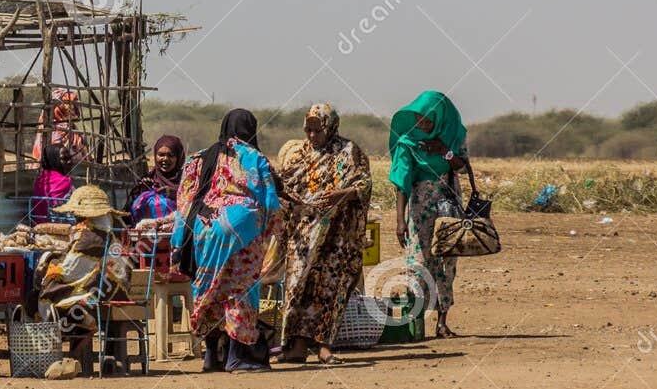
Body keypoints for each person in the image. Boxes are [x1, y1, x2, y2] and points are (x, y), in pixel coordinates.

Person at [171, 108, 280, 374]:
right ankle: (237, 357)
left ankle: (211, 356)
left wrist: (178, 244)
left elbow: (183, 203)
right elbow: (270, 202)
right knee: (239, 291)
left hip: (203, 231)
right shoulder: (253, 157)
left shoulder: (197, 159)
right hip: (241, 233)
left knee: (210, 288)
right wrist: (272, 235)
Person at [275, 104, 371, 365]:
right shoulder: (299, 155)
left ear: (331, 127)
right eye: (308, 131)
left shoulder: (349, 152)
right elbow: (285, 187)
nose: (312, 137)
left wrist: (344, 194)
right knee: (297, 288)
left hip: (335, 237)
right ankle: (295, 346)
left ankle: (324, 346)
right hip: (302, 236)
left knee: (328, 290)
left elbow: (364, 183)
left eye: (317, 131)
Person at [389, 90, 471, 338]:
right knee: (418, 264)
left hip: (449, 205)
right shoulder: (407, 142)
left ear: (439, 117)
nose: (421, 123)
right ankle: (415, 324)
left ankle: (442, 322)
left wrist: (443, 150)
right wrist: (400, 221)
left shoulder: (453, 136)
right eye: (417, 118)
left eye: (426, 119)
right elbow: (401, 183)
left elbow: (463, 168)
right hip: (420, 210)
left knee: (447, 261)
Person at [37, 184, 131, 375]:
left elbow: (69, 270)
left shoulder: (87, 235)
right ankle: (75, 357)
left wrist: (49, 262)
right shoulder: (109, 233)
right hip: (118, 289)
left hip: (98, 293)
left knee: (48, 294)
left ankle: (71, 356)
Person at [29, 87, 88, 221]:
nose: (73, 108)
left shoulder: (73, 132)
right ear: (58, 106)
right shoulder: (50, 133)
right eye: (69, 104)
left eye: (74, 104)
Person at [127, 135, 185, 222]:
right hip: (144, 233)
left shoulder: (186, 181)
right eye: (161, 155)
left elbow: (195, 207)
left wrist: (176, 194)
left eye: (171, 155)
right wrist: (143, 191)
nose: (165, 159)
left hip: (178, 232)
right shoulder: (148, 179)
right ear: (155, 155)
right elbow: (128, 213)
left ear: (178, 158)